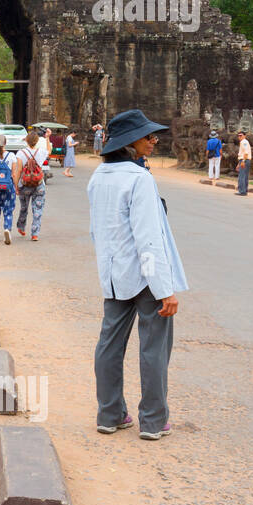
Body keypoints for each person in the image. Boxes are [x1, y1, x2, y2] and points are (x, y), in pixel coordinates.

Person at [87, 109, 186, 441]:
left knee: (110, 344)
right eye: (148, 137)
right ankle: (154, 420)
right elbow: (148, 238)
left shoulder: (98, 176)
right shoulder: (139, 179)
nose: (154, 142)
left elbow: (97, 231)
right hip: (146, 277)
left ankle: (109, 413)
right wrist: (165, 289)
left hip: (115, 273)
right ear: (131, 143)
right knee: (154, 348)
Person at [16, 129, 47, 241]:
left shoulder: (21, 153)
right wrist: (47, 137)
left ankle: (21, 227)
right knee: (38, 209)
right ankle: (35, 234)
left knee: (24, 207)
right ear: (37, 141)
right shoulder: (41, 151)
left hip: (25, 184)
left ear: (26, 141)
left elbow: (18, 171)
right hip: (39, 184)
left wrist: (16, 185)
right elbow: (49, 149)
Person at [235, 130, 251, 196]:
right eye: (238, 136)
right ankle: (244, 190)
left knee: (242, 176)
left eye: (241, 135)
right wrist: (239, 164)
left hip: (245, 160)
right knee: (244, 176)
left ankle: (242, 191)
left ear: (244, 136)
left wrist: (243, 161)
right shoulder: (243, 142)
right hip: (244, 160)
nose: (239, 137)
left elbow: (246, 152)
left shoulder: (244, 142)